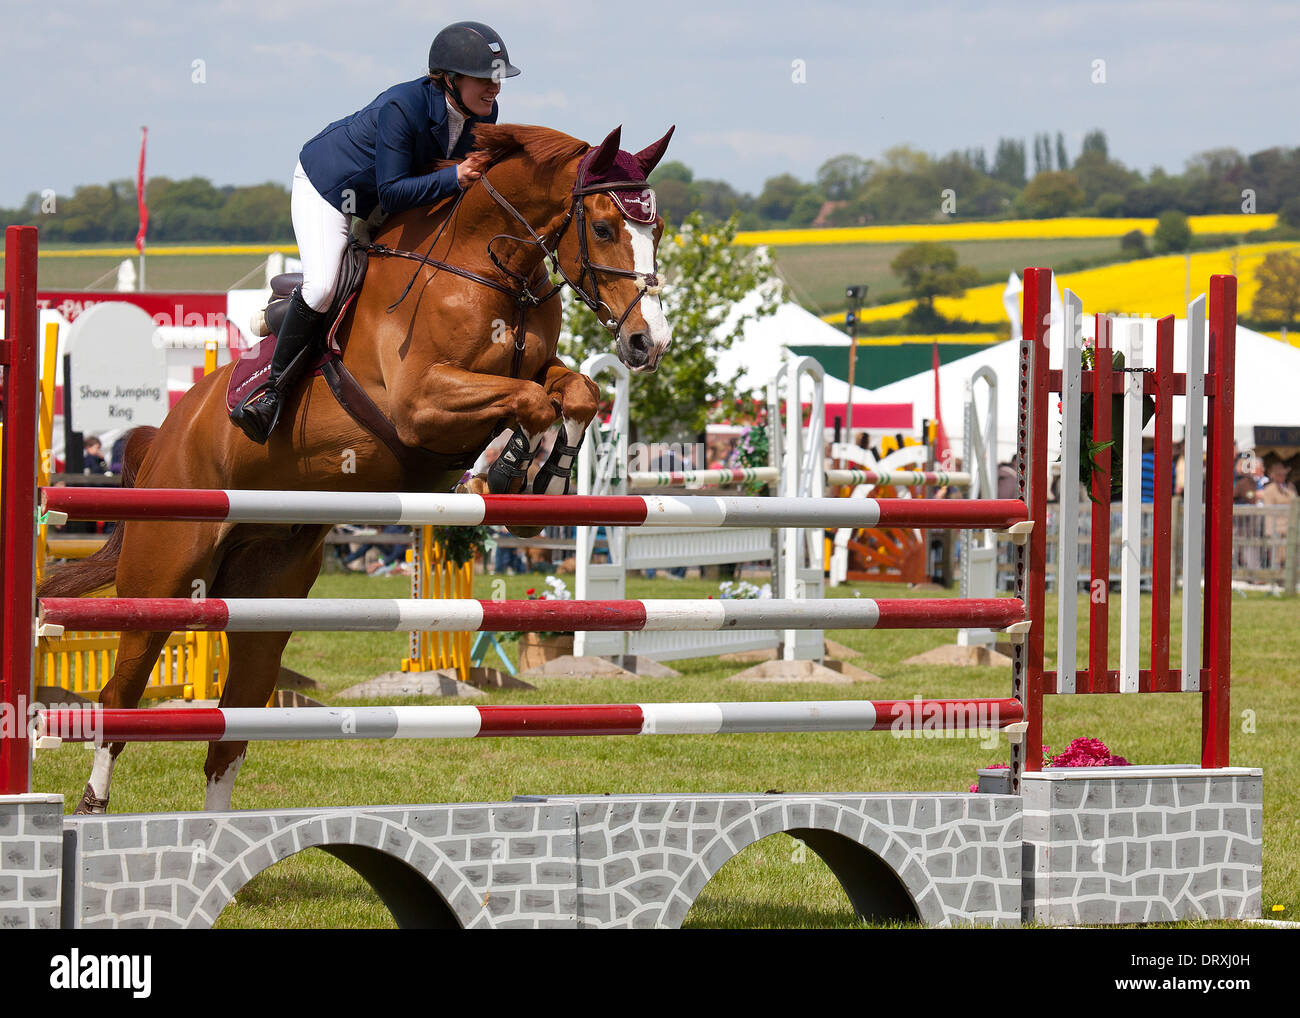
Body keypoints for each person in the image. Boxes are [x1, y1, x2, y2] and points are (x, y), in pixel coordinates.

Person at [231, 22, 519, 443]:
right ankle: (271, 393)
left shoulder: (483, 112)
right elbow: (393, 190)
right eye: (484, 78)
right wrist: (456, 177)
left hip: (387, 196)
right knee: (323, 287)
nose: (494, 88)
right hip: (331, 189)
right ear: (449, 79)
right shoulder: (403, 107)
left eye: (497, 78)